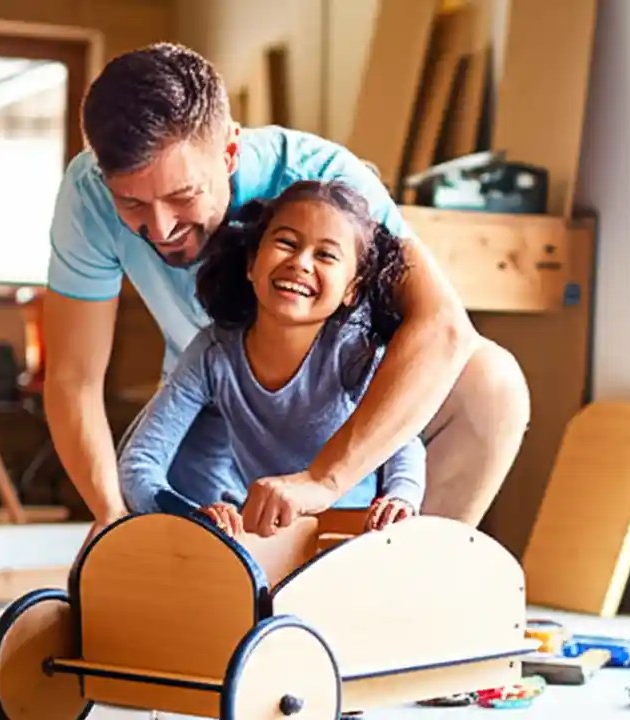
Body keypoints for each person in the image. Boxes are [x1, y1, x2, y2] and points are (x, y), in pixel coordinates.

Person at [43, 42, 530, 541]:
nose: (161, 227)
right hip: (214, 405)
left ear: (229, 152)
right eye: (133, 204)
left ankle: (408, 578)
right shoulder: (89, 194)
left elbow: (444, 327)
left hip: (338, 410)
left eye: (182, 196)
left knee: (493, 386)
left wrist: (327, 479)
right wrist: (109, 517)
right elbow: (73, 377)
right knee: (179, 563)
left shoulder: (324, 184)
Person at [118, 180, 424, 535]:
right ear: (251, 263)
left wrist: (403, 499)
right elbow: (138, 464)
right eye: (286, 243)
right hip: (272, 537)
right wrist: (192, 515)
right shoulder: (214, 353)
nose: (300, 263)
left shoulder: (360, 354)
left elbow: (404, 443)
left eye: (325, 255)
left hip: (357, 538)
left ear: (352, 290)